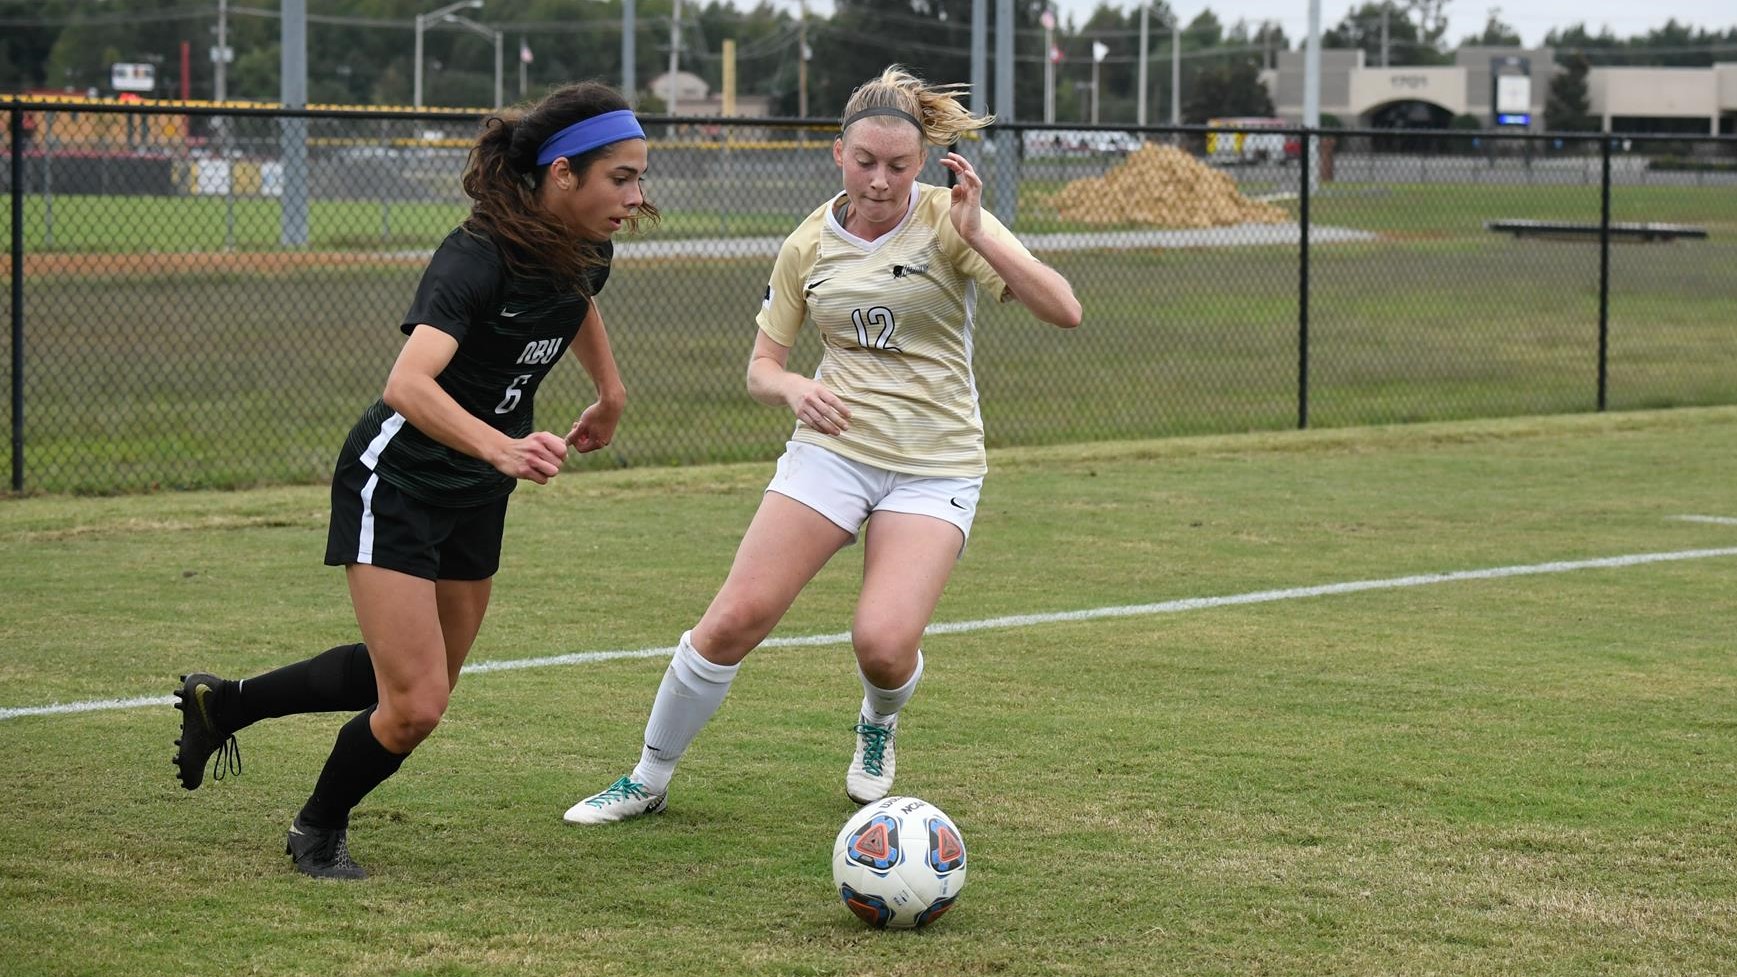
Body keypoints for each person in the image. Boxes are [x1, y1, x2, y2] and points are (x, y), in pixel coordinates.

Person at [564, 65, 1080, 825]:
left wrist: (978, 235)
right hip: (831, 453)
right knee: (733, 619)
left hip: (934, 464)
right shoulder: (807, 241)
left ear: (922, 161)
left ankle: (877, 722)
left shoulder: (951, 218)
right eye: (864, 161)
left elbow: (1064, 310)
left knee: (883, 644)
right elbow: (761, 368)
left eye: (898, 165)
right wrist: (794, 388)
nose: (880, 181)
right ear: (838, 154)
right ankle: (647, 777)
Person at [171, 82, 655, 879]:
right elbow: (407, 384)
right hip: (394, 480)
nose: (636, 197)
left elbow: (578, 300)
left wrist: (610, 390)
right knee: (417, 703)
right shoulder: (475, 257)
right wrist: (501, 448)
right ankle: (316, 829)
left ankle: (226, 703)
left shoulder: (586, 246)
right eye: (621, 177)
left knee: (414, 679)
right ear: (562, 173)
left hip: (474, 490)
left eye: (639, 177)